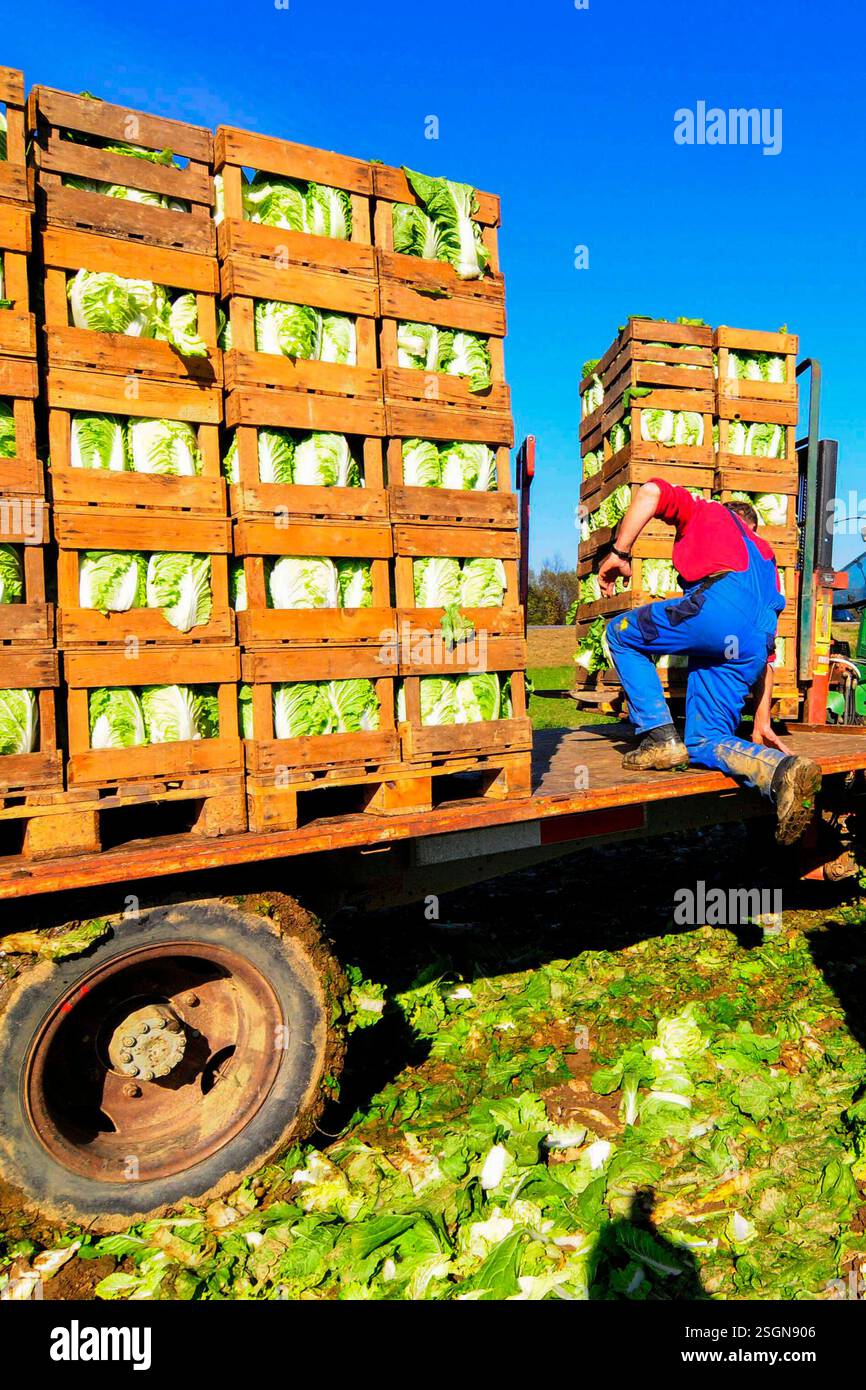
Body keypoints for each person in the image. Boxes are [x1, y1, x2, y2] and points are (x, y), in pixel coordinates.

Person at [597, 478, 821, 845]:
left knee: (621, 635)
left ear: (731, 516)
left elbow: (652, 491)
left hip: (717, 611)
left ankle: (658, 738)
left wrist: (619, 554)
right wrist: (762, 716)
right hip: (751, 643)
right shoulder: (766, 557)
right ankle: (783, 773)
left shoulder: (710, 511)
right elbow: (767, 654)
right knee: (704, 740)